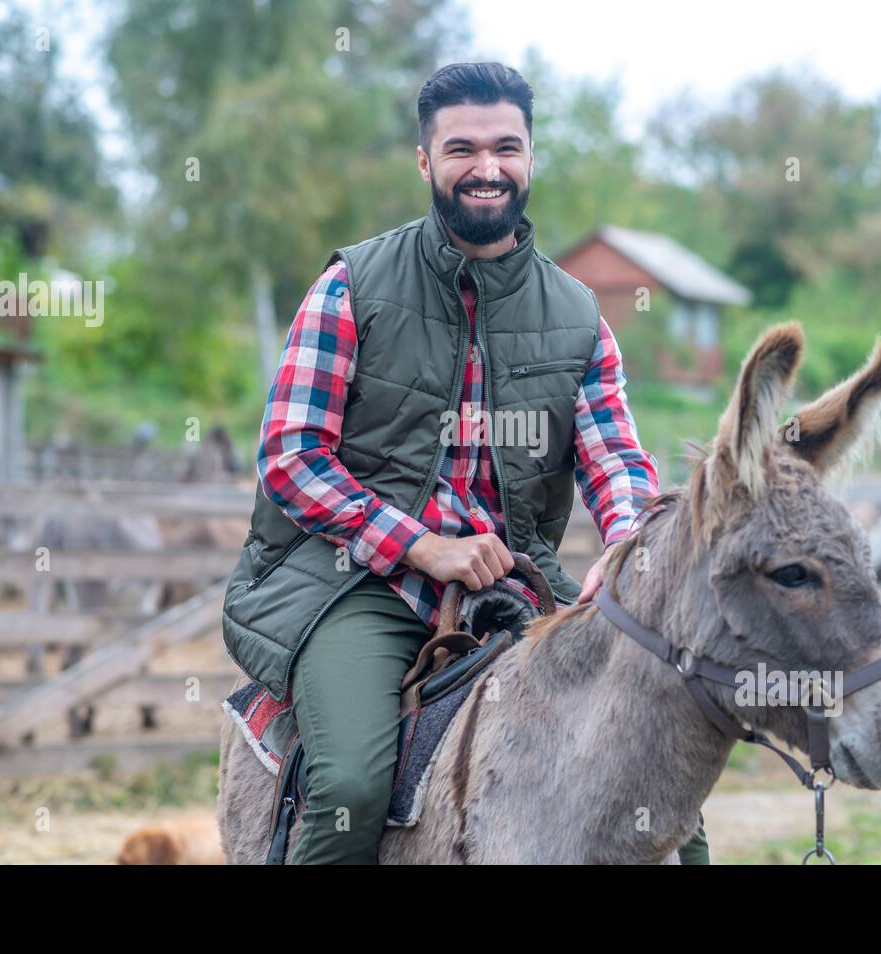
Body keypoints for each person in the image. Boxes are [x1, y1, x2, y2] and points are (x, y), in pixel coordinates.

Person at [222, 61, 709, 864]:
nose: (486, 168)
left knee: (674, 816)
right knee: (350, 787)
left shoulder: (577, 315)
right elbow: (289, 456)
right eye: (461, 149)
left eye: (505, 147)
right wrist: (421, 544)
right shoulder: (353, 285)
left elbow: (615, 455)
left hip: (520, 576)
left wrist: (628, 549)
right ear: (426, 162)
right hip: (356, 580)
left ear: (530, 157)